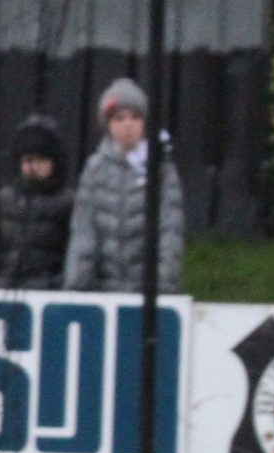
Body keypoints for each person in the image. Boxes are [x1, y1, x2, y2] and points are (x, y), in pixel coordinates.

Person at [64, 77, 184, 294]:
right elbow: (84, 232)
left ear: (144, 122)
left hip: (149, 293)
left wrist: (164, 284)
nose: (128, 124)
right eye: (119, 118)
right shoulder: (94, 169)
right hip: (102, 292)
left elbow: (170, 230)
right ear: (108, 125)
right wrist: (77, 286)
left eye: (135, 117)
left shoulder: (162, 169)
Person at [0, 114, 74, 290]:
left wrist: (50, 286)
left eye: (40, 160)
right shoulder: (3, 200)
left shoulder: (68, 203)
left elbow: (75, 258)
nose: (32, 166)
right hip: (3, 294)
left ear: (54, 162)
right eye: (27, 160)